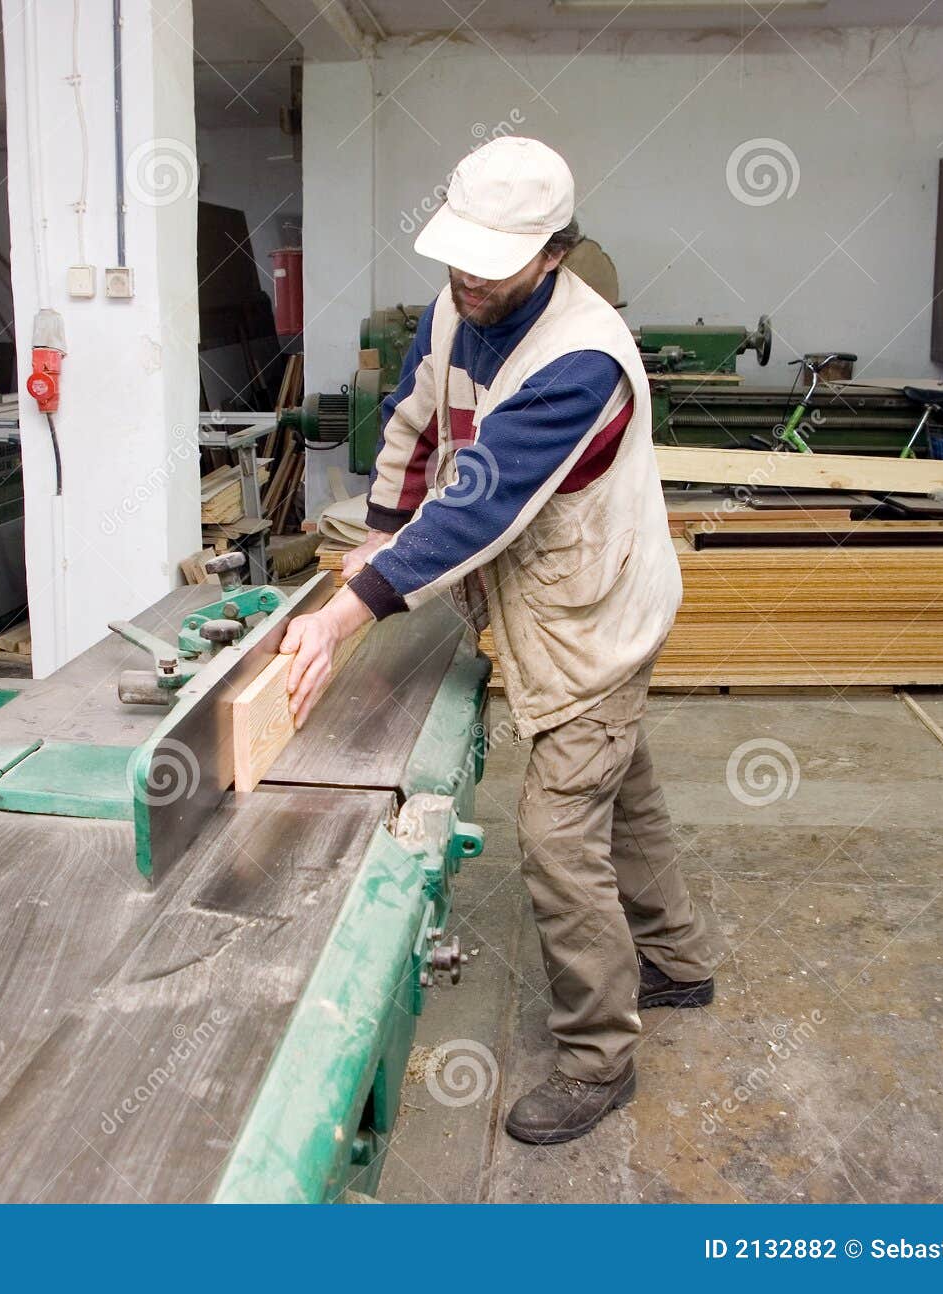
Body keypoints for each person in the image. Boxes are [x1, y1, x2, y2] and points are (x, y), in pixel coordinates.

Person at [279, 136, 726, 1145]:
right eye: (459, 257)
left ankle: (599, 1057)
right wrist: (381, 532)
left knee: (560, 836)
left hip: (591, 612)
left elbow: (480, 498)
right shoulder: (454, 306)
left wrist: (352, 609)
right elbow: (414, 426)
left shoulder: (583, 360)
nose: (468, 280)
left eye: (494, 263)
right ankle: (677, 962)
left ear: (555, 252)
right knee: (623, 786)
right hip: (539, 593)